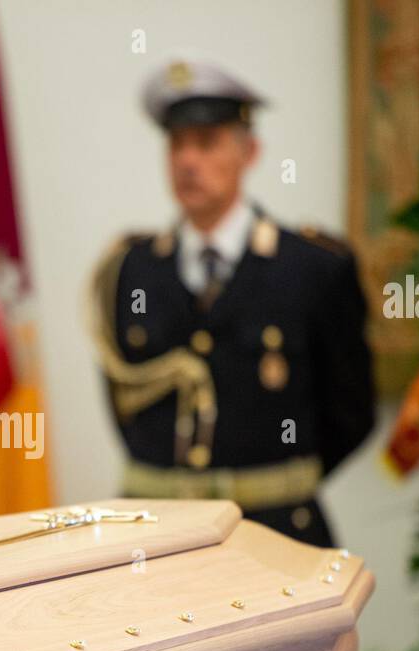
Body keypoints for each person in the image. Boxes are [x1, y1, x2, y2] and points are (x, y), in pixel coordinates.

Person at [90, 57, 375, 547]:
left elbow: (350, 411)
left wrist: (278, 475)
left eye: (206, 143)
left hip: (277, 533)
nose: (187, 161)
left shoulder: (311, 268)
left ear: (250, 152)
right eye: (177, 144)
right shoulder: (129, 271)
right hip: (157, 542)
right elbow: (124, 402)